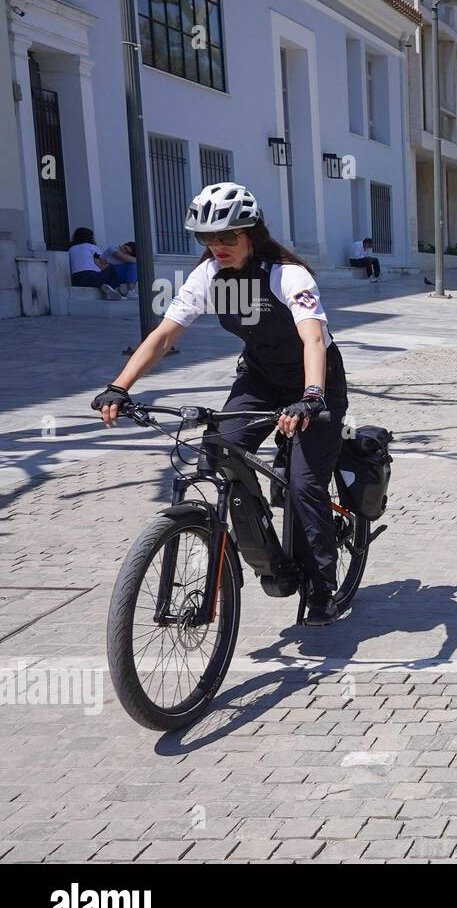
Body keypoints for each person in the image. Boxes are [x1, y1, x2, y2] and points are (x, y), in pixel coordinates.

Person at [92, 182, 350, 626]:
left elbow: (312, 338)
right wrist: (119, 386)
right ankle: (262, 540)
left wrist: (311, 397)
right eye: (207, 239)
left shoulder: (287, 274)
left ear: (252, 232)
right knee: (219, 448)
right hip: (260, 379)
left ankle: (323, 587)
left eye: (228, 237)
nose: (218, 247)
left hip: (315, 380)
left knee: (306, 485)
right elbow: (166, 334)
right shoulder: (208, 275)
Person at [69, 227, 136, 300]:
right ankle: (123, 290)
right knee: (113, 269)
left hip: (76, 280)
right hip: (93, 278)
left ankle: (111, 291)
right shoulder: (92, 247)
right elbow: (100, 262)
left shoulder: (71, 249)